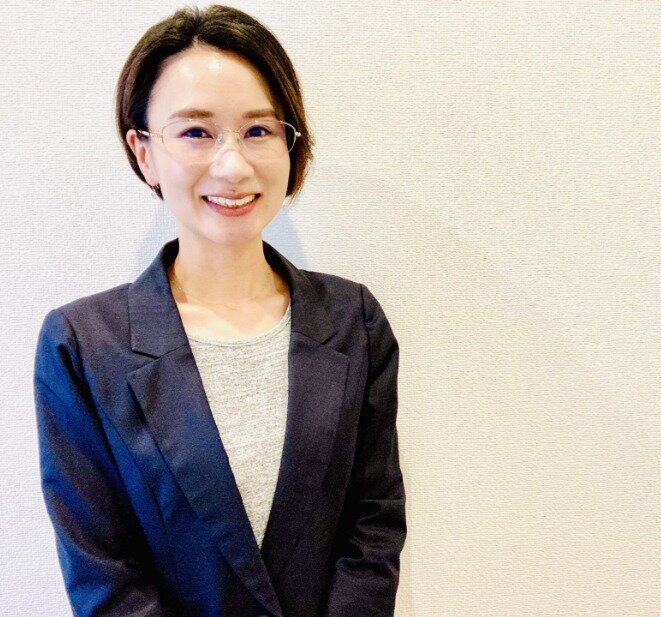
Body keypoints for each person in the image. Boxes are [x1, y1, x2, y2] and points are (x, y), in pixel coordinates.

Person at [32, 5, 406, 616]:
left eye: (258, 131)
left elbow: (373, 524)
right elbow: (104, 573)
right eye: (196, 133)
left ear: (291, 145)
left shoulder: (352, 321)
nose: (233, 166)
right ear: (144, 152)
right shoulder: (82, 345)